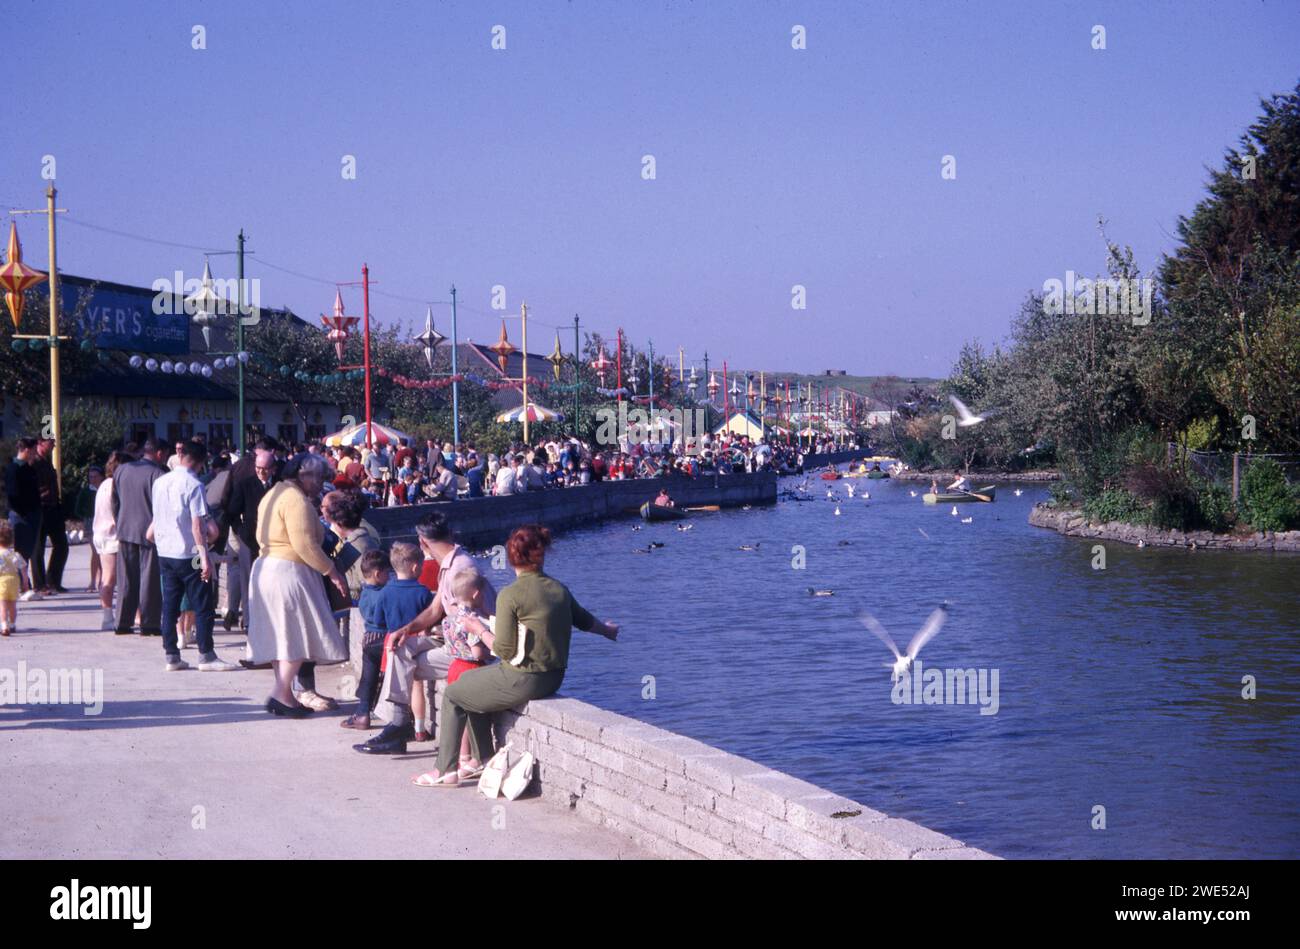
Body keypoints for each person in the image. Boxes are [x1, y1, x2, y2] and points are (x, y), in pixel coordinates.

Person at [410, 525, 619, 787]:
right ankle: (483, 757)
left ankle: (445, 770)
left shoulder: (510, 595)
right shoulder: (559, 590)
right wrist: (608, 631)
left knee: (454, 694)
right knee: (471, 684)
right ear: (542, 555)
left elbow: (504, 650)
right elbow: (585, 621)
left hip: (524, 677)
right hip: (553, 677)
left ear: (511, 558)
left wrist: (477, 629)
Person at [353, 511, 495, 755]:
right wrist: (405, 630)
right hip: (453, 643)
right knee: (398, 647)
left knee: (402, 662)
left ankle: (399, 726)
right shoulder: (450, 564)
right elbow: (434, 609)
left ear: (422, 541)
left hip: (469, 651)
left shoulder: (461, 568)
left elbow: (480, 614)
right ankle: (399, 725)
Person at [246, 453, 350, 717]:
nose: (320, 484)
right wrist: (332, 572)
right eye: (318, 478)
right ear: (304, 475)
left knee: (279, 634)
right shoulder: (296, 501)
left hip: (266, 568)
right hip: (288, 571)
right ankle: (281, 693)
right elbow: (305, 545)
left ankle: (285, 694)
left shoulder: (274, 493)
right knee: (297, 634)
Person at [148, 440, 239, 671]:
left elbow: (155, 521)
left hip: (166, 552)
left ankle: (171, 654)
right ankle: (206, 654)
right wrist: (205, 557)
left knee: (170, 605)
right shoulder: (194, 485)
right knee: (203, 603)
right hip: (191, 554)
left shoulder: (159, 483)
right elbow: (197, 526)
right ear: (200, 463)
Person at [439, 567, 496, 776]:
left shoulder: (448, 620)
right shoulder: (474, 621)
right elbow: (477, 652)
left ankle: (462, 758)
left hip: (455, 666)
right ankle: (472, 757)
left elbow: (448, 647)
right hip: (471, 669)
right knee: (472, 714)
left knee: (458, 714)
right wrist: (491, 650)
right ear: (476, 594)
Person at [225, 438, 278, 635]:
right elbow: (231, 512)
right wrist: (242, 532)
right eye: (257, 468)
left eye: (264, 469)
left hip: (274, 541)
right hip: (250, 539)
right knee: (248, 581)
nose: (261, 472)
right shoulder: (245, 484)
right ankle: (248, 621)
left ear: (272, 468)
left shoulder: (280, 485)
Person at [112, 439, 165, 635]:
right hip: (149, 533)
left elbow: (114, 502)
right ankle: (149, 623)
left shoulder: (121, 470)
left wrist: (120, 523)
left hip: (125, 530)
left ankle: (122, 622)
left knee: (126, 579)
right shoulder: (158, 474)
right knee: (149, 580)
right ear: (159, 454)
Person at [340, 549, 391, 730]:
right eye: (387, 572)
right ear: (378, 574)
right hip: (384, 639)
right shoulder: (386, 594)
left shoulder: (364, 595)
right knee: (387, 678)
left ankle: (362, 714)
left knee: (368, 678)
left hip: (369, 639)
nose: (389, 576)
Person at [92, 452, 130, 631]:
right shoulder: (116, 485)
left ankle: (107, 615)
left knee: (107, 577)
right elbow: (117, 512)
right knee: (111, 578)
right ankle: (108, 617)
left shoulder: (103, 485)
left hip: (100, 533)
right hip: (111, 535)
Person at [4, 438, 42, 602]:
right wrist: (23, 512)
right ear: (26, 449)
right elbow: (12, 496)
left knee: (27, 551)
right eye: (33, 450)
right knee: (21, 552)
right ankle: (22, 587)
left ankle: (25, 585)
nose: (35, 453)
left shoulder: (29, 468)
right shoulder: (13, 469)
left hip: (32, 515)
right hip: (21, 516)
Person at [31, 436, 69, 594]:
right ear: (40, 443)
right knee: (38, 549)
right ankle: (40, 585)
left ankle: (52, 581)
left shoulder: (46, 462)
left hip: (53, 509)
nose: (54, 445)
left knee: (62, 546)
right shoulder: (33, 463)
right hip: (40, 509)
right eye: (50, 443)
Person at [0, 522, 31, 636]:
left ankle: (4, 625)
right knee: (12, 605)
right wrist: (25, 583)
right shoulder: (15, 554)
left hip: (2, 581)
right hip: (14, 581)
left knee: (2, 605)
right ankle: (12, 624)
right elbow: (23, 569)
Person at [75, 467, 103, 592]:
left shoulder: (106, 488)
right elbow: (78, 509)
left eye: (95, 476)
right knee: (96, 551)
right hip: (90, 523)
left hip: (105, 521)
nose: (92, 479)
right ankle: (93, 581)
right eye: (90, 476)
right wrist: (88, 516)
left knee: (104, 552)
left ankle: (102, 579)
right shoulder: (86, 491)